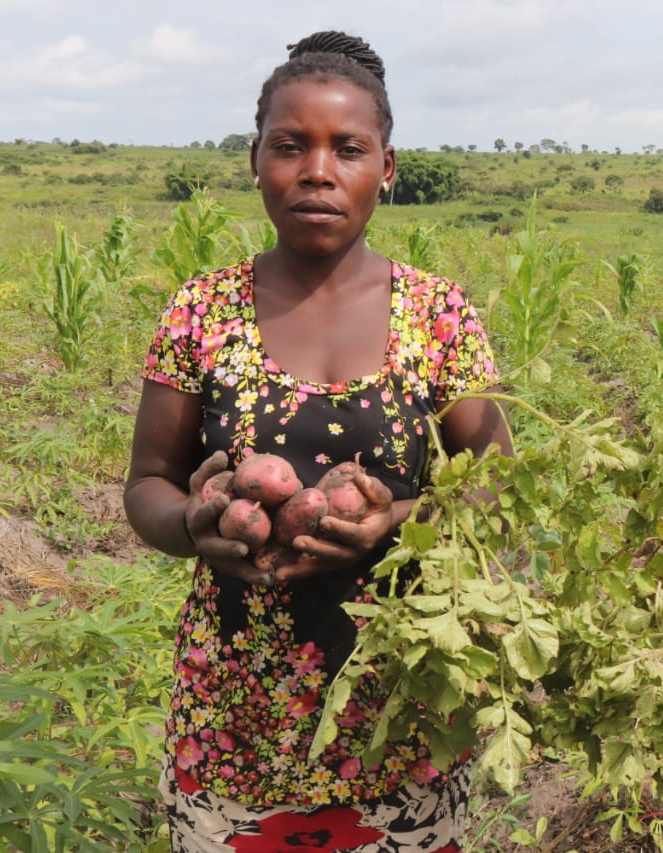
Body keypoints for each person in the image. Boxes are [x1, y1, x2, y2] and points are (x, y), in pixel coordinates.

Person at [123, 31, 511, 851]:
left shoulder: (439, 315)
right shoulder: (202, 311)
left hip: (400, 710)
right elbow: (149, 482)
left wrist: (398, 519)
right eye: (290, 145)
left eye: (349, 148)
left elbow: (499, 487)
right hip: (234, 714)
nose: (318, 171)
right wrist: (193, 522)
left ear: (388, 168)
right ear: (255, 160)